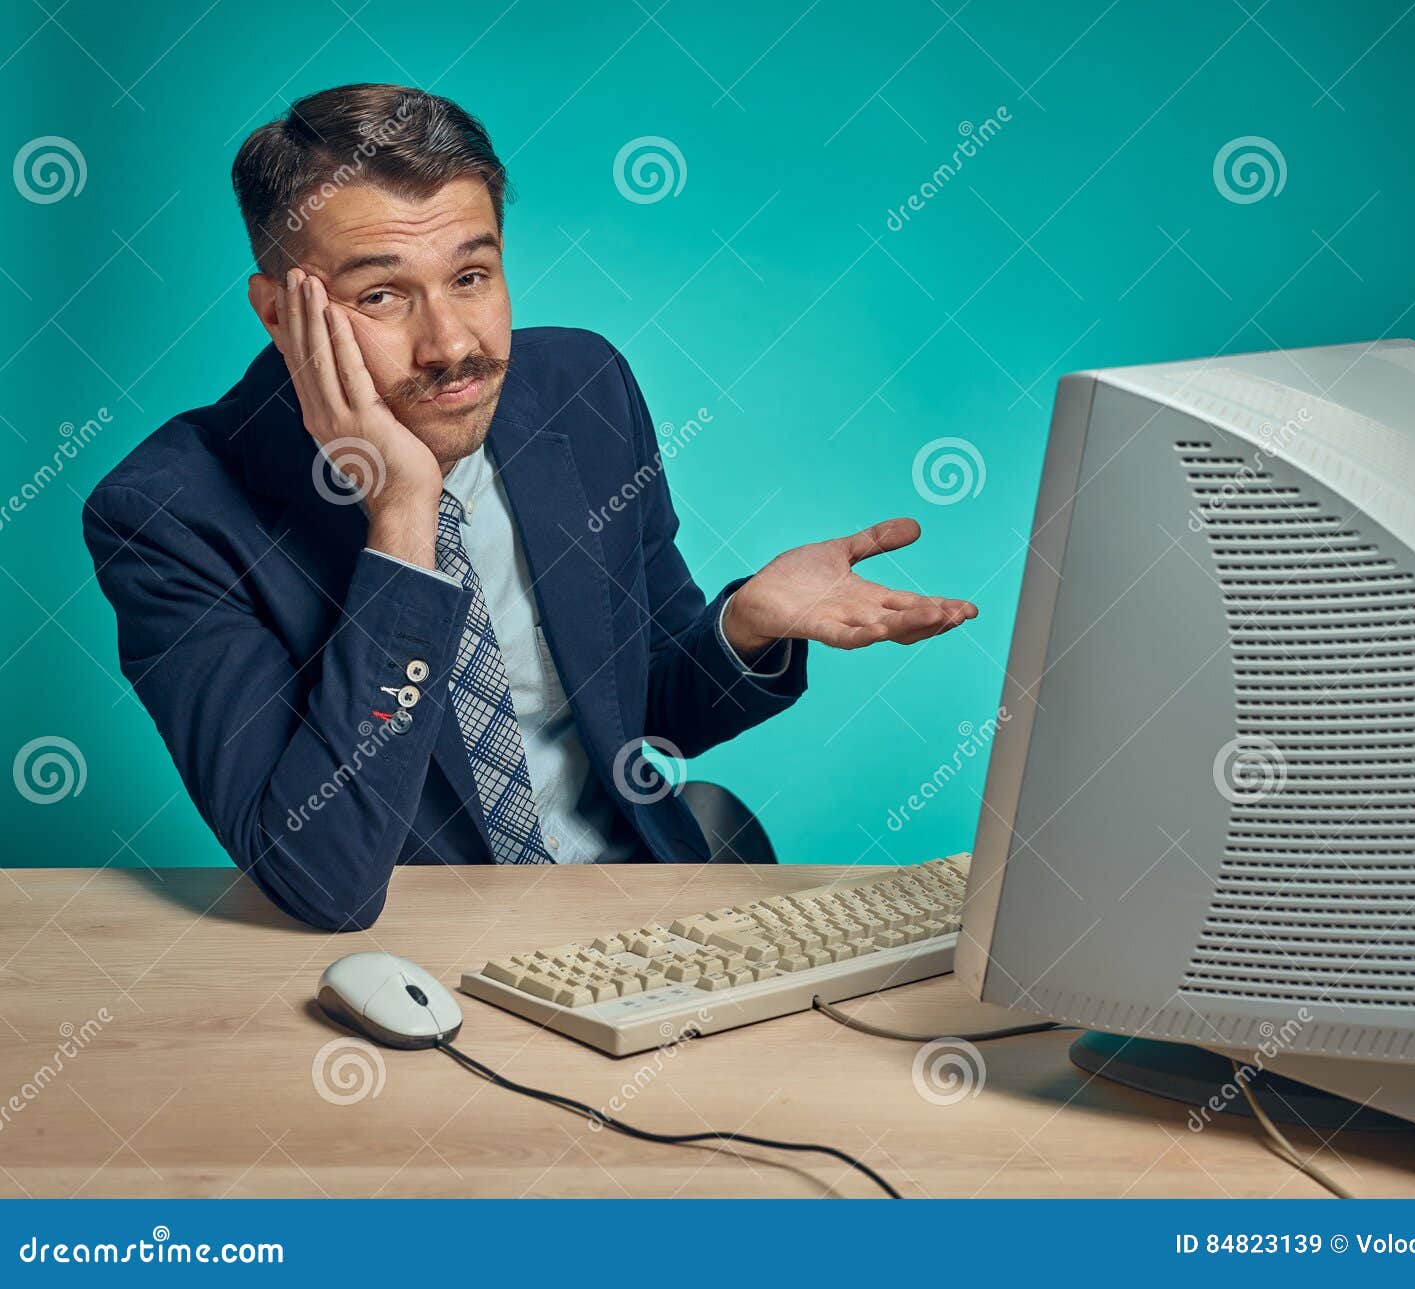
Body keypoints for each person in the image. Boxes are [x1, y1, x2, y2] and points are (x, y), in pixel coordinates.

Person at [83, 84, 977, 931]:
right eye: (382, 295)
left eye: (471, 276)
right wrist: (402, 520)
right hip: (415, 962)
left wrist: (743, 626)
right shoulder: (169, 514)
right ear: (280, 312)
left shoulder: (579, 390)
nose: (453, 346)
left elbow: (650, 716)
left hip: (631, 920)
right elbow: (317, 874)